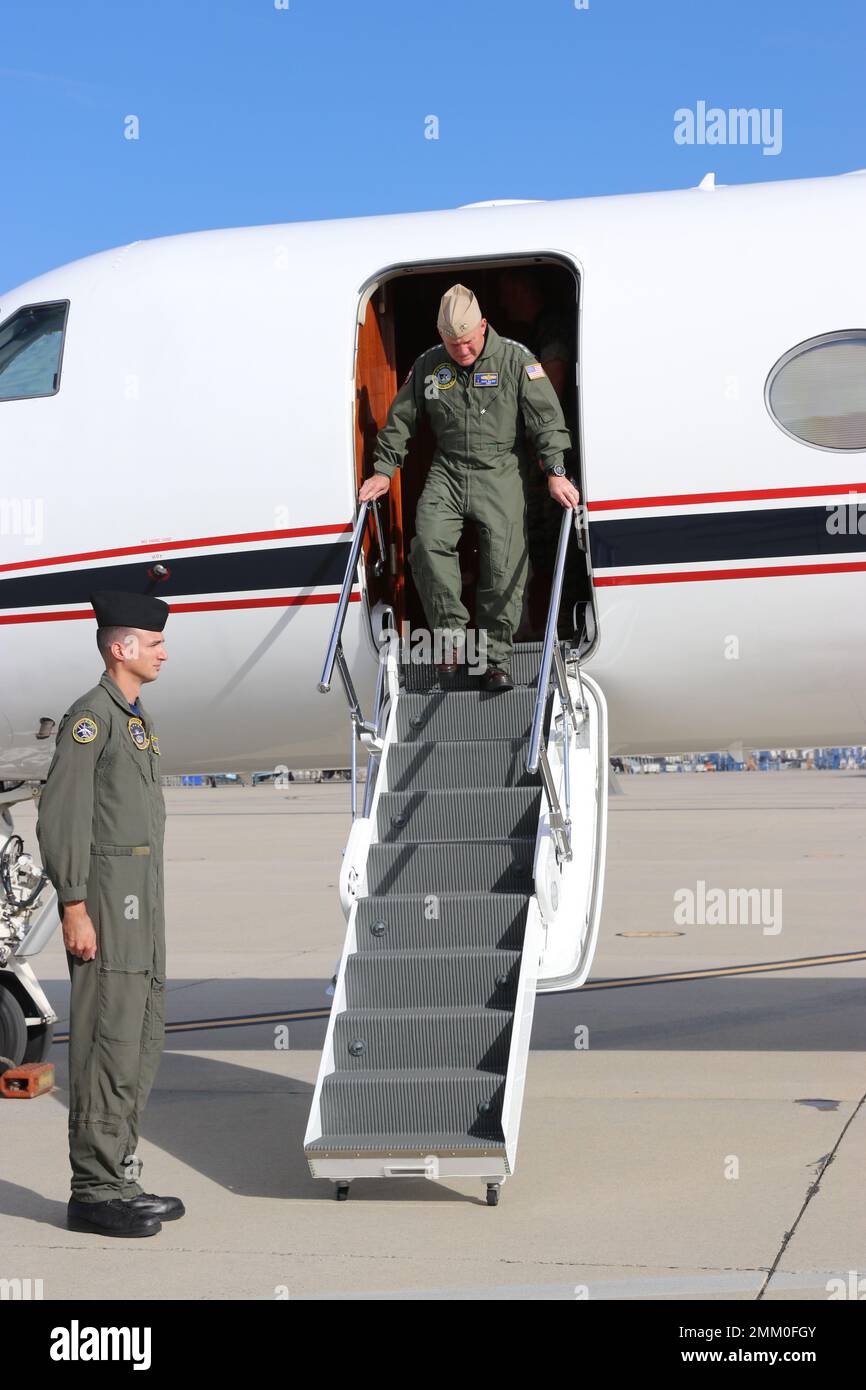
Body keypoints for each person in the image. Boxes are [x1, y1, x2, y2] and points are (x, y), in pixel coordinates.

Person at [36, 589, 183, 1237]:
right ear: (121, 648)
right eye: (154, 644)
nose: (163, 653)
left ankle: (118, 1176)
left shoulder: (135, 717)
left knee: (141, 1037)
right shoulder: (90, 719)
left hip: (140, 910)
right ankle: (93, 1192)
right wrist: (73, 904)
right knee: (107, 1043)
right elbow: (61, 816)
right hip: (103, 909)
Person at [359, 284, 579, 690]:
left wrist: (555, 470)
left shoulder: (516, 359)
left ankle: (497, 658)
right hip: (448, 467)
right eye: (452, 343)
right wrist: (383, 469)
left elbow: (546, 420)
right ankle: (452, 641)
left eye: (467, 341)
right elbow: (402, 419)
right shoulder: (430, 365)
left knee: (503, 559)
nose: (461, 351)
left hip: (499, 469)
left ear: (484, 325)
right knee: (427, 543)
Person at [498, 268, 577, 638]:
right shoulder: (534, 331)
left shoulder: (550, 327)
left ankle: (561, 625)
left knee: (552, 538)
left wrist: (543, 446)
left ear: (521, 288)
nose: (504, 301)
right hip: (541, 453)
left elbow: (553, 381)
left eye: (507, 291)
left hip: (550, 454)